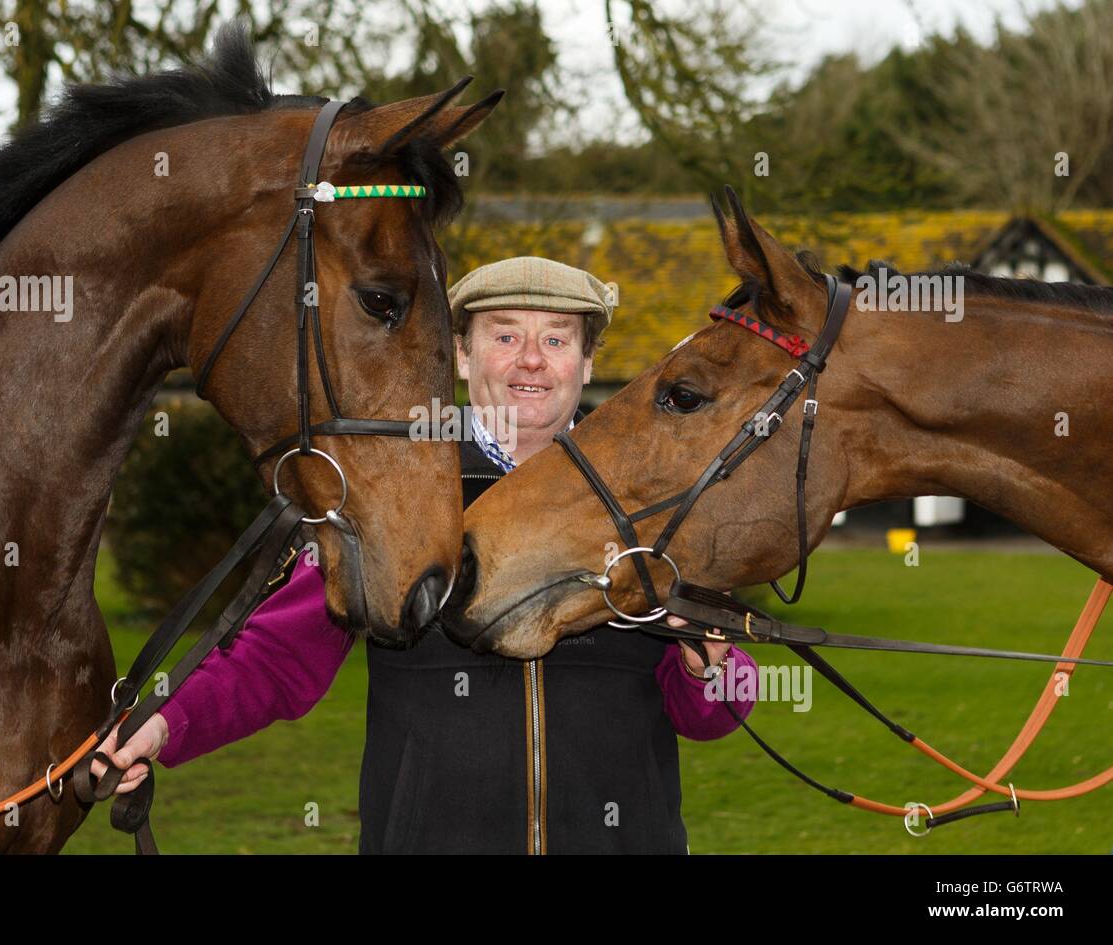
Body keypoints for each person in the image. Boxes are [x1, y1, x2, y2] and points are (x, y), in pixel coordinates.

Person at [96, 256, 757, 853]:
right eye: (505, 335)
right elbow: (279, 658)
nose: (532, 359)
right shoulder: (395, 497)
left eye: (556, 338)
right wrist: (164, 723)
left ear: (585, 365)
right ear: (462, 357)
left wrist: (717, 665)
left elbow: (715, 712)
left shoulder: (652, 503)